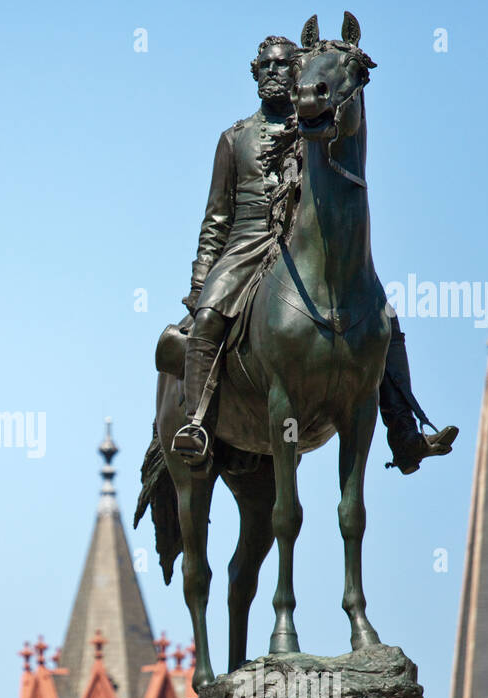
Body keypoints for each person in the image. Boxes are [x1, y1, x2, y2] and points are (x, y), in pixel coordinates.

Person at [172, 35, 457, 474]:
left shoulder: (314, 129)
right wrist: (200, 281)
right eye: (264, 66)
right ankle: (196, 424)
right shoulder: (234, 138)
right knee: (209, 317)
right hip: (245, 245)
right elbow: (215, 218)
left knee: (384, 319)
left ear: (297, 73)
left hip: (300, 243)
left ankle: (403, 431)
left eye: (282, 65)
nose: (272, 72)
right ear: (254, 74)